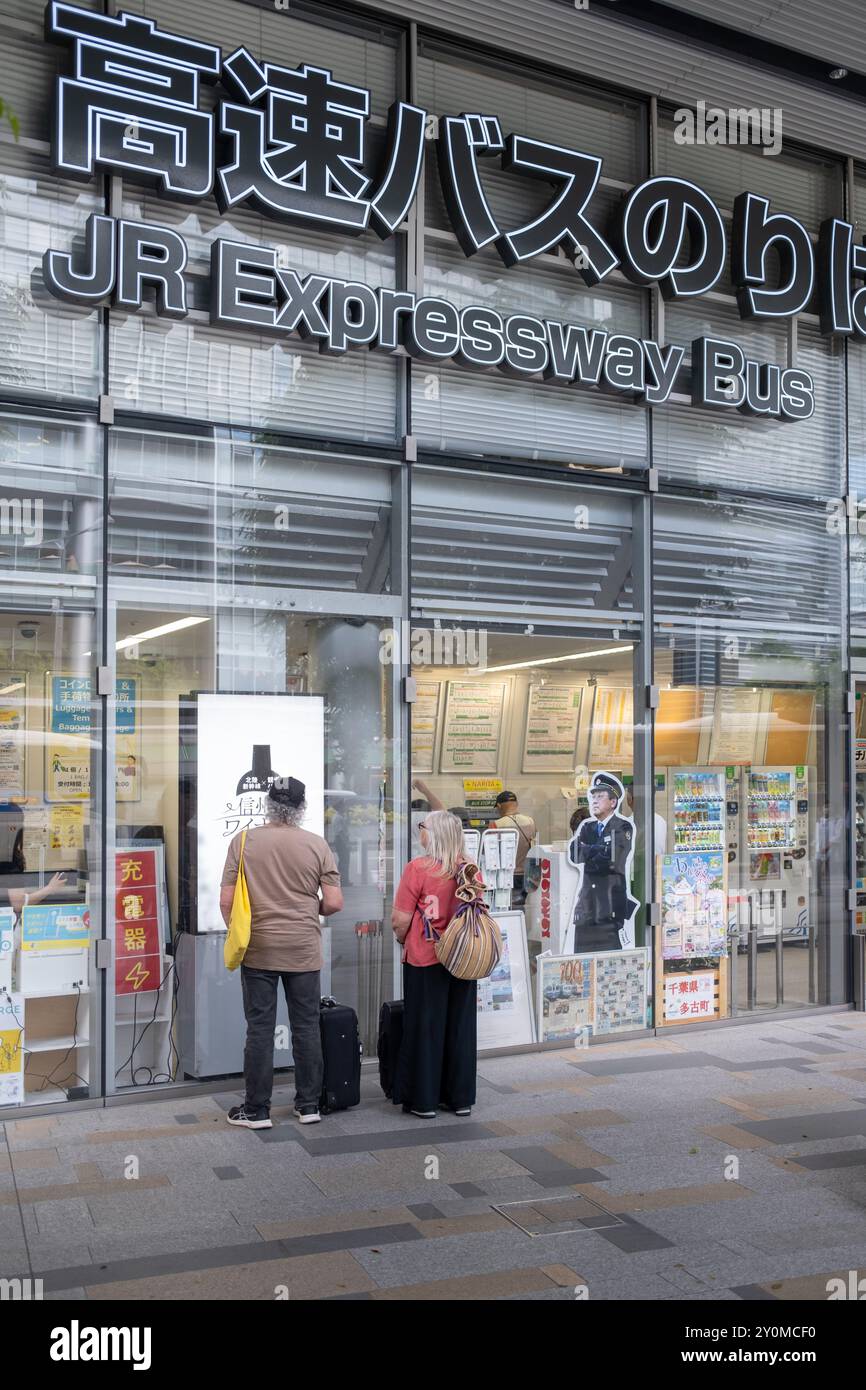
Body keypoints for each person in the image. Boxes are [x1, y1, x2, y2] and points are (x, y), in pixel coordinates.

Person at [220, 776, 343, 1129]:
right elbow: (334, 903)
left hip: (258, 948)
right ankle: (308, 1106)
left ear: (268, 805)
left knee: (259, 1029)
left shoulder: (242, 842)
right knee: (306, 1027)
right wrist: (307, 908)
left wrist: (239, 929)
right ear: (302, 808)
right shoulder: (317, 845)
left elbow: (227, 901)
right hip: (303, 948)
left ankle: (256, 1110)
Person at [391, 809, 478, 1119]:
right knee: (460, 1026)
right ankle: (459, 1098)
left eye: (423, 826)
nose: (420, 831)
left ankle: (424, 1100)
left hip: (425, 956)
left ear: (434, 833)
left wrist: (403, 938)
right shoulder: (469, 869)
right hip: (465, 958)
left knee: (425, 1027)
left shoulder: (418, 868)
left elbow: (400, 920)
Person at [568, 772, 638, 953]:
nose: (594, 801)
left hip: (609, 909)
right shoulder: (587, 826)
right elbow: (575, 854)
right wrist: (599, 850)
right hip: (586, 909)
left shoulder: (623, 826)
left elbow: (612, 861)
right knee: (582, 961)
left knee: (609, 961)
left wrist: (589, 850)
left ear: (613, 802)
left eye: (600, 796)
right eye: (593, 796)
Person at [492, 790, 536, 905]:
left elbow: (489, 853)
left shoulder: (496, 825)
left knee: (507, 907)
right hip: (528, 875)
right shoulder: (530, 821)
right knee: (526, 907)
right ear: (516, 804)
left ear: (499, 806)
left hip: (507, 876)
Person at [410, 778, 444, 858]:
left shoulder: (409, 818)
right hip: (428, 859)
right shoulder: (427, 818)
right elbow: (442, 813)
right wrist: (425, 791)